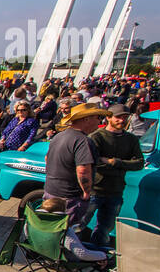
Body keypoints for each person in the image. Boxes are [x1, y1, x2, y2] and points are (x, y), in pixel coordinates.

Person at [82, 105, 143, 248]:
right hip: (94, 189)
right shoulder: (97, 136)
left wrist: (114, 162)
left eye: (125, 117)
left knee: (104, 229)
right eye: (118, 117)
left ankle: (97, 257)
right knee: (79, 224)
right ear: (108, 117)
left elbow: (139, 163)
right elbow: (92, 163)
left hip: (116, 190)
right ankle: (74, 254)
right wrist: (121, 166)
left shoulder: (131, 139)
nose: (122, 120)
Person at [42, 103, 108, 234]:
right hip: (69, 197)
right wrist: (86, 192)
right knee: (66, 233)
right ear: (86, 119)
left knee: (49, 228)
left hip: (51, 190)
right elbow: (83, 171)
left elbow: (46, 158)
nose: (100, 121)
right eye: (98, 117)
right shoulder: (83, 141)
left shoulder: (59, 136)